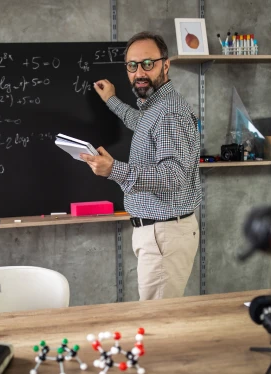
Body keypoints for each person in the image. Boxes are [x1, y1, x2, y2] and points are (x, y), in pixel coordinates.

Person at [80, 31, 202, 301]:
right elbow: (141, 124)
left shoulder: (168, 111)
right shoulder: (155, 108)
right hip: (160, 232)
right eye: (132, 66)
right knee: (157, 321)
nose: (139, 73)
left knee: (157, 324)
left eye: (148, 64)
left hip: (164, 232)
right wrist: (111, 100)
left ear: (165, 65)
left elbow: (173, 176)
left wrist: (114, 170)